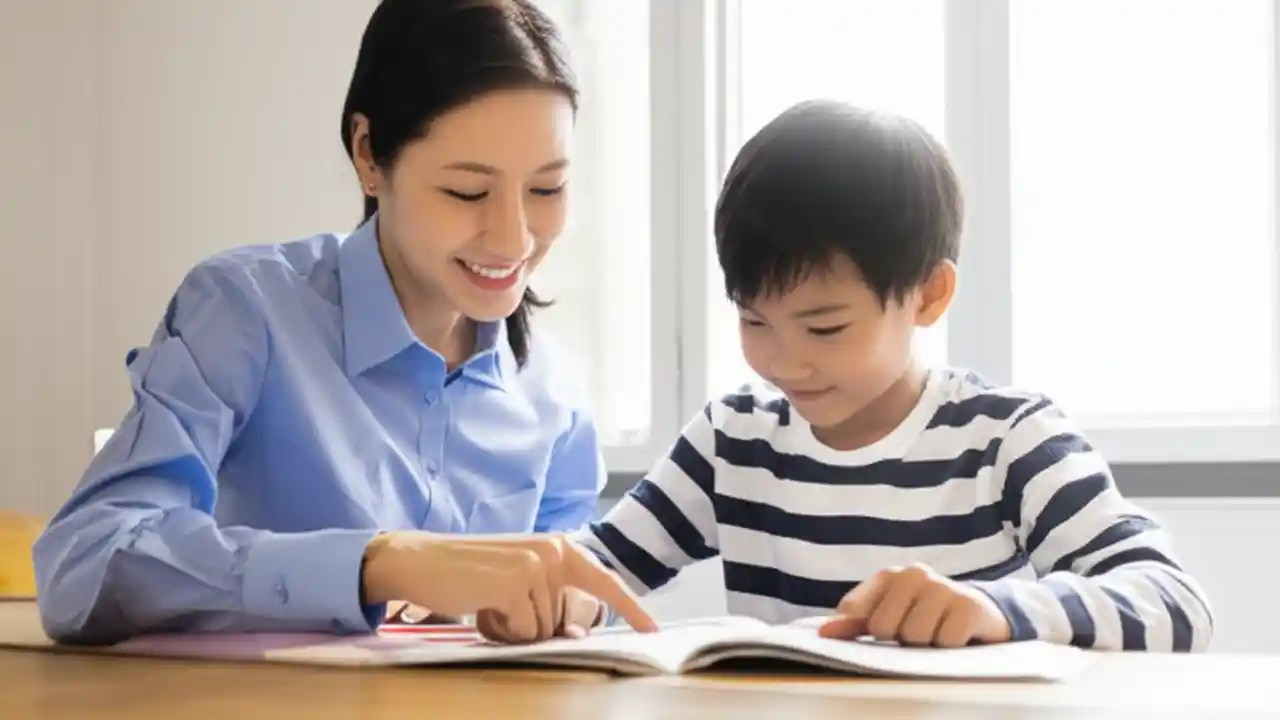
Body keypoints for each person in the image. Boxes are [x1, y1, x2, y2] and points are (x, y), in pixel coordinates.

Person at [35, 0, 654, 646]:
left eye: (546, 189)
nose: (513, 237)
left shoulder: (551, 397)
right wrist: (375, 565)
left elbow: (577, 580)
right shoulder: (245, 311)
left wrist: (573, 604)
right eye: (468, 192)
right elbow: (82, 564)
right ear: (367, 153)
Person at [577, 100, 1213, 652]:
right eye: (754, 321)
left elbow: (1175, 602)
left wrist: (999, 611)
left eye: (824, 328)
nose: (783, 363)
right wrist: (558, 598)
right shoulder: (731, 440)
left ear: (929, 295)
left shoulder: (1004, 439)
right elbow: (596, 570)